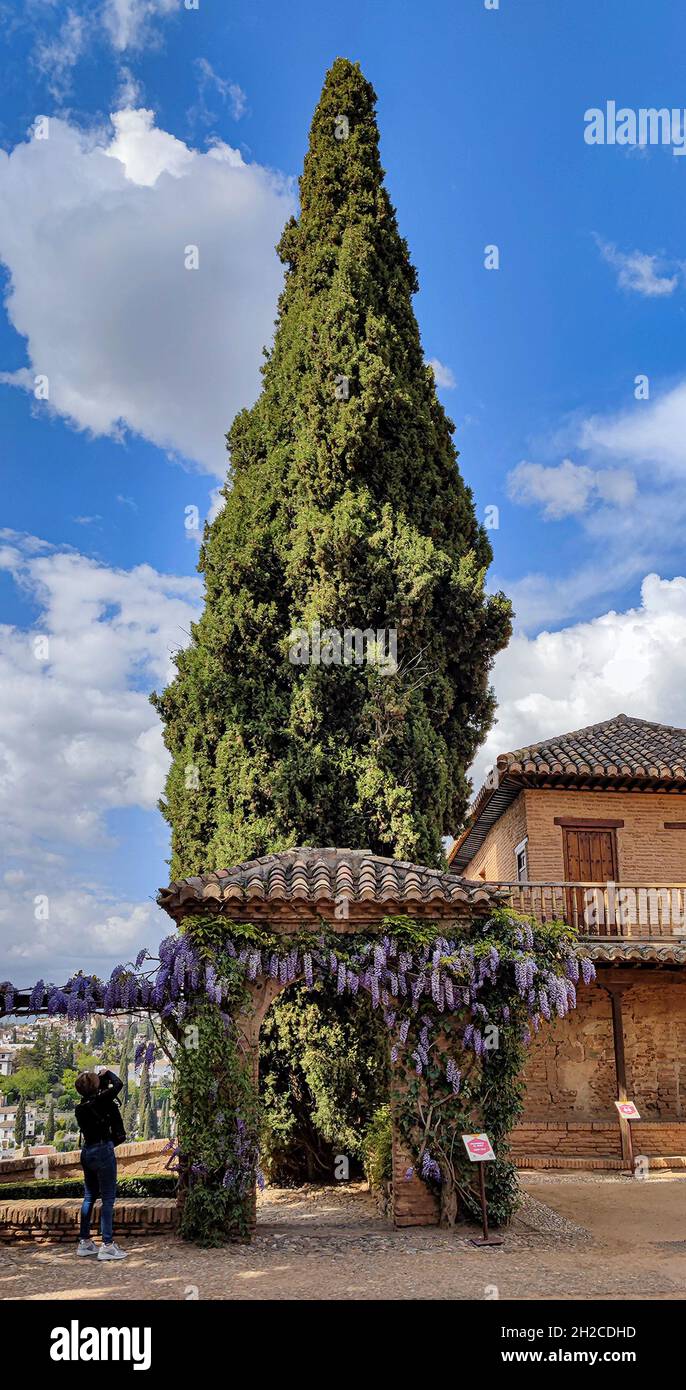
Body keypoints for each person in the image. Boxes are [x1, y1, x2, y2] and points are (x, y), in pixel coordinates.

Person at [74, 1069, 127, 1261]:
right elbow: (119, 1084)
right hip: (103, 1150)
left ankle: (85, 1242)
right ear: (96, 1086)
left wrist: (98, 1082)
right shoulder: (103, 1100)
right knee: (108, 1199)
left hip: (87, 1152)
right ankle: (107, 1245)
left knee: (89, 1197)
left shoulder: (80, 1108)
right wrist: (108, 1073)